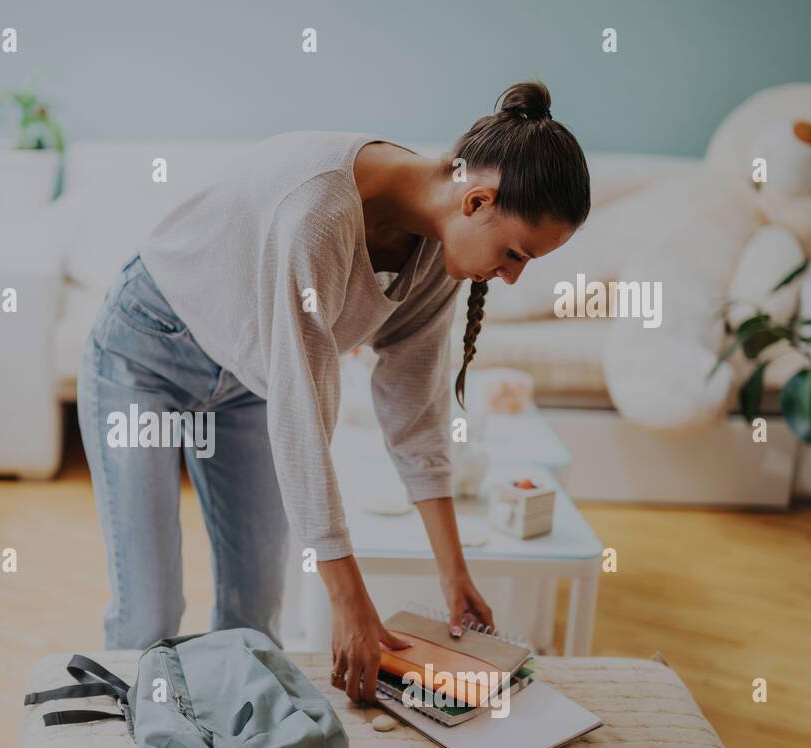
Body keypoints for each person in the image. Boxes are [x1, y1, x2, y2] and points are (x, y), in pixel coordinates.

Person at [77, 80, 590, 704]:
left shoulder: (438, 254)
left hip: (247, 380)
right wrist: (349, 599)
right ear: (478, 200)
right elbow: (301, 413)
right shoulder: (321, 214)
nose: (511, 277)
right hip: (146, 355)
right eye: (515, 254)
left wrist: (454, 574)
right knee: (149, 618)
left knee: (252, 621)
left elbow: (415, 410)